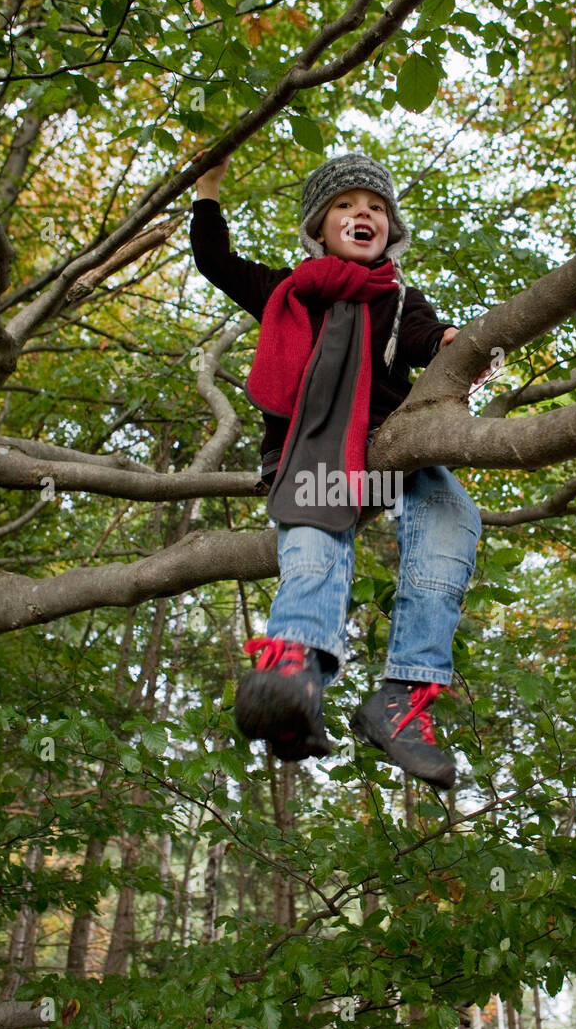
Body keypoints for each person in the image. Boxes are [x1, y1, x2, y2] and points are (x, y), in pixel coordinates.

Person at [189, 150, 481, 789]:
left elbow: (433, 340)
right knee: (317, 531)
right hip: (309, 453)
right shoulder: (285, 292)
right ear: (320, 227)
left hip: (390, 448)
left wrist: (459, 346)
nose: (363, 214)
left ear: (389, 229)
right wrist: (207, 188)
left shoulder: (400, 299)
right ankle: (295, 665)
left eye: (376, 208)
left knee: (453, 513)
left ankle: (404, 695)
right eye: (346, 206)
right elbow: (214, 261)